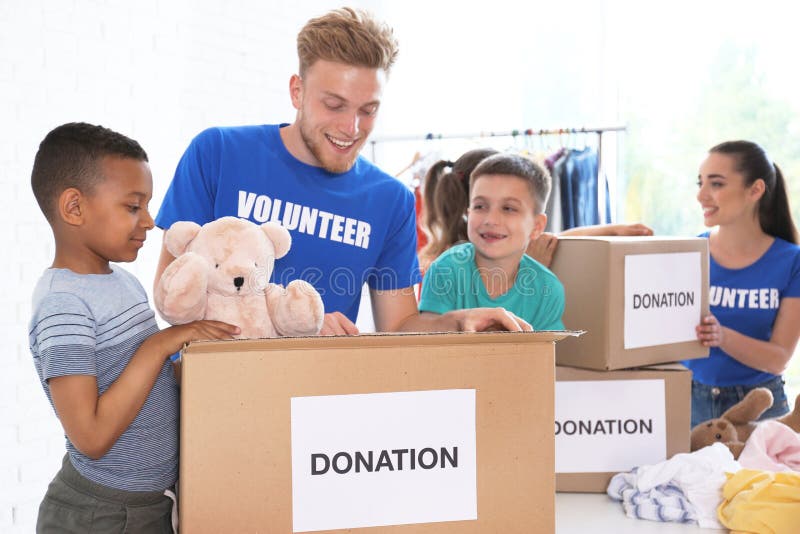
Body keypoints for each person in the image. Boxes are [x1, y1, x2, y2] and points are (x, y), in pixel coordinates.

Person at [154, 8, 529, 335]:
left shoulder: (390, 200)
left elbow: (398, 327)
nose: (352, 128)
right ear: (297, 92)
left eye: (368, 110)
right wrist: (293, 326)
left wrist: (459, 321)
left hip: (318, 399)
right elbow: (171, 297)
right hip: (214, 390)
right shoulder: (218, 153)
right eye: (334, 105)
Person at [29, 122, 240, 532]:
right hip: (100, 515)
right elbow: (91, 437)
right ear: (74, 208)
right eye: (133, 206)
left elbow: (146, 380)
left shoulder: (121, 282)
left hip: (149, 506)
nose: (150, 220)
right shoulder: (63, 304)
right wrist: (160, 346)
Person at [686, 140, 800, 428]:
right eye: (701, 183)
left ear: (756, 190)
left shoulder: (791, 261)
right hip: (687, 401)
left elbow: (778, 358)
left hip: (760, 408)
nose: (701, 195)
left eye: (716, 184)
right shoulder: (687, 253)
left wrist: (722, 337)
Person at [419, 148, 653, 273]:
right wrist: (529, 269)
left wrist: (613, 230)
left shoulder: (486, 247)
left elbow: (552, 240)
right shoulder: (452, 265)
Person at [418, 153, 565, 329]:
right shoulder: (445, 269)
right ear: (468, 212)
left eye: (508, 208)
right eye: (480, 206)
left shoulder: (548, 289)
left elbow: (546, 355)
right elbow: (426, 341)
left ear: (537, 226)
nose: (491, 220)